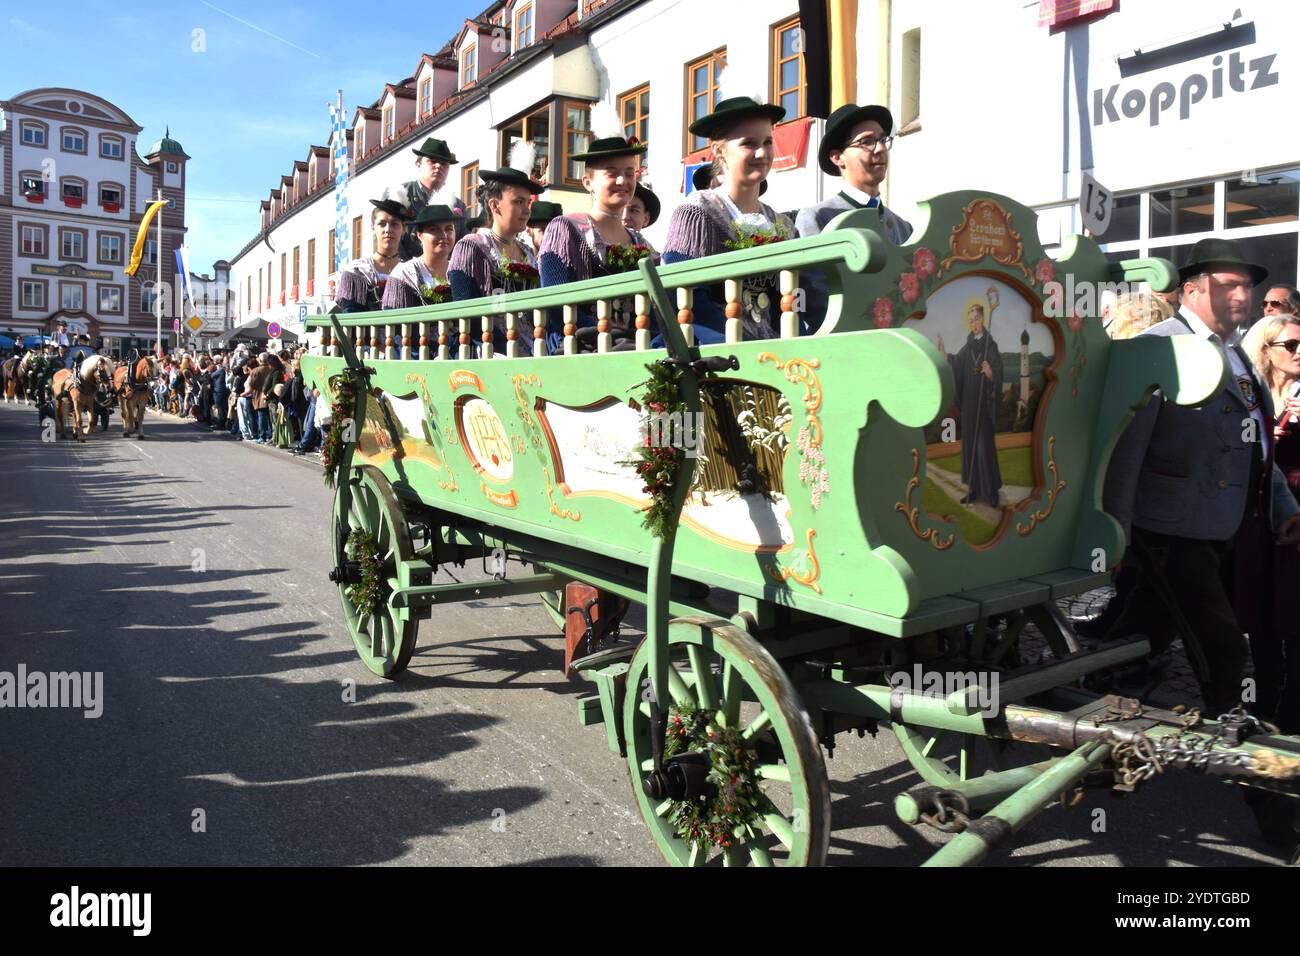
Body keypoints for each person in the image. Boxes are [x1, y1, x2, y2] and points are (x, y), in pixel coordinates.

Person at [1103, 237, 1300, 716]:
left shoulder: (1238, 355)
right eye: (1229, 285)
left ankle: (1103, 706)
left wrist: (1283, 507)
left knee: (1145, 629)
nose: (1243, 296)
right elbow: (1126, 450)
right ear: (1192, 291)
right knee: (1223, 644)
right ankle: (1240, 750)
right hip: (1169, 525)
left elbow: (1255, 442)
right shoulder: (1157, 346)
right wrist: (1114, 532)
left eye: (1248, 287)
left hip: (1223, 524)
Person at [661, 79, 794, 343]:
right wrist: (739, 339)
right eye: (749, 143)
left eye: (767, 142)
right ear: (719, 151)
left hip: (780, 352)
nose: (762, 152)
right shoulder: (697, 212)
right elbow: (683, 295)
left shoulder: (783, 224)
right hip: (719, 352)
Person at [1236, 313, 1300, 732]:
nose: (1299, 353)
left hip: (1297, 515)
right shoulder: (1250, 393)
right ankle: (1261, 703)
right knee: (1258, 611)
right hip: (1258, 516)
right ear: (1266, 350)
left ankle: (1293, 713)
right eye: (1291, 346)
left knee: (1295, 614)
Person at [539, 130, 653, 351]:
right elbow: (557, 303)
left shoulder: (641, 243)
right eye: (612, 173)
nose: (623, 181)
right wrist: (610, 337)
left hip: (639, 348)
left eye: (630, 173)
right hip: (582, 348)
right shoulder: (565, 230)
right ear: (588, 182)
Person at [448, 147, 544, 353]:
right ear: (495, 205)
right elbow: (468, 315)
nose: (527, 209)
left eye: (528, 202)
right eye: (518, 202)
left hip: (534, 348)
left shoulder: (528, 252)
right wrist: (508, 348)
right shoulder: (471, 247)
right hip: (489, 352)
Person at [795, 102, 913, 243]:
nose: (880, 148)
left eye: (883, 140)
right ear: (837, 157)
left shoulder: (904, 228)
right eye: (866, 142)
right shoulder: (818, 218)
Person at [936, 289, 1003, 508]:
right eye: (971, 320)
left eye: (977, 319)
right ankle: (973, 489)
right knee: (970, 449)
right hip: (969, 405)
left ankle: (991, 491)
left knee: (984, 447)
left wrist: (990, 372)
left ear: (983, 319)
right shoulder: (968, 347)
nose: (974, 323)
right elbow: (957, 363)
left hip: (982, 404)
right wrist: (945, 355)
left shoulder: (989, 346)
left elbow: (998, 372)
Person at [336, 189, 412, 313]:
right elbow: (350, 316)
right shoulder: (358, 271)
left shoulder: (411, 271)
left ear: (403, 230)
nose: (388, 229)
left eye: (394, 224)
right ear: (373, 227)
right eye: (382, 224)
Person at [383, 205, 461, 311]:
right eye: (434, 229)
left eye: (449, 229)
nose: (444, 235)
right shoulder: (405, 274)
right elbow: (393, 322)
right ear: (419, 234)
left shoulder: (461, 271)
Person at [400, 138, 467, 257]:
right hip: (406, 271)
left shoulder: (458, 205)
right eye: (432, 161)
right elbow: (392, 241)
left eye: (444, 163)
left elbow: (461, 246)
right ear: (418, 164)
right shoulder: (401, 196)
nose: (438, 166)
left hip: (444, 272)